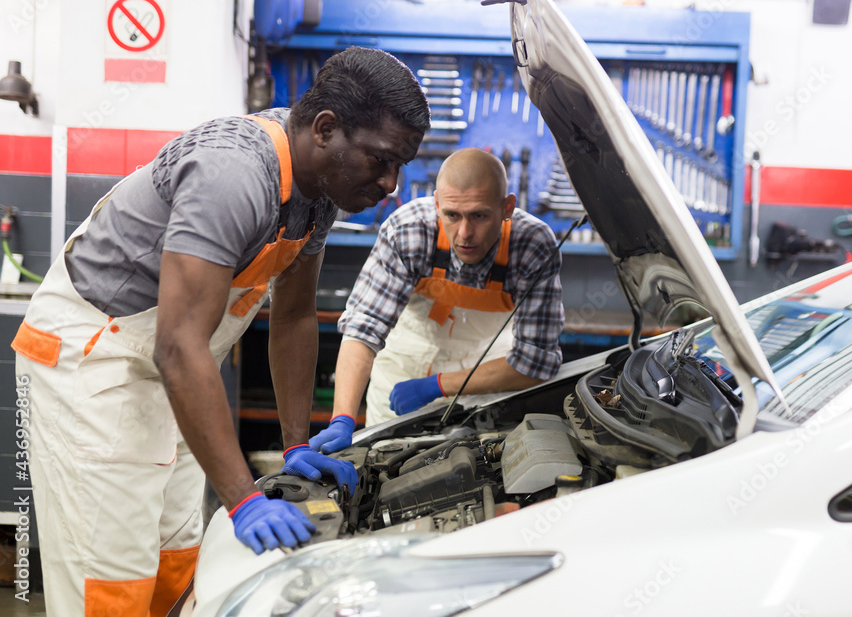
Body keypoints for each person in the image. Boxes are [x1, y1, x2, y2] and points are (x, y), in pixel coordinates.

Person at [10, 47, 429, 616]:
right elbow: (178, 344)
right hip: (96, 365)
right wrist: (243, 499)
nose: (391, 183)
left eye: (400, 165)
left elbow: (294, 316)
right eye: (381, 160)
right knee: (110, 581)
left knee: (177, 558)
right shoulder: (233, 174)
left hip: (171, 369)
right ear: (326, 129)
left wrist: (295, 444)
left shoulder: (318, 189)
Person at [310, 147, 564, 455]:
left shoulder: (533, 245)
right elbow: (364, 329)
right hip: (403, 374)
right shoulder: (408, 230)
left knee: (482, 466)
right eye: (452, 215)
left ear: (506, 208)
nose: (465, 234)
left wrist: (438, 385)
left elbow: (535, 362)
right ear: (437, 205)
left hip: (488, 380)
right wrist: (342, 418)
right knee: (388, 463)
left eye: (479, 215)